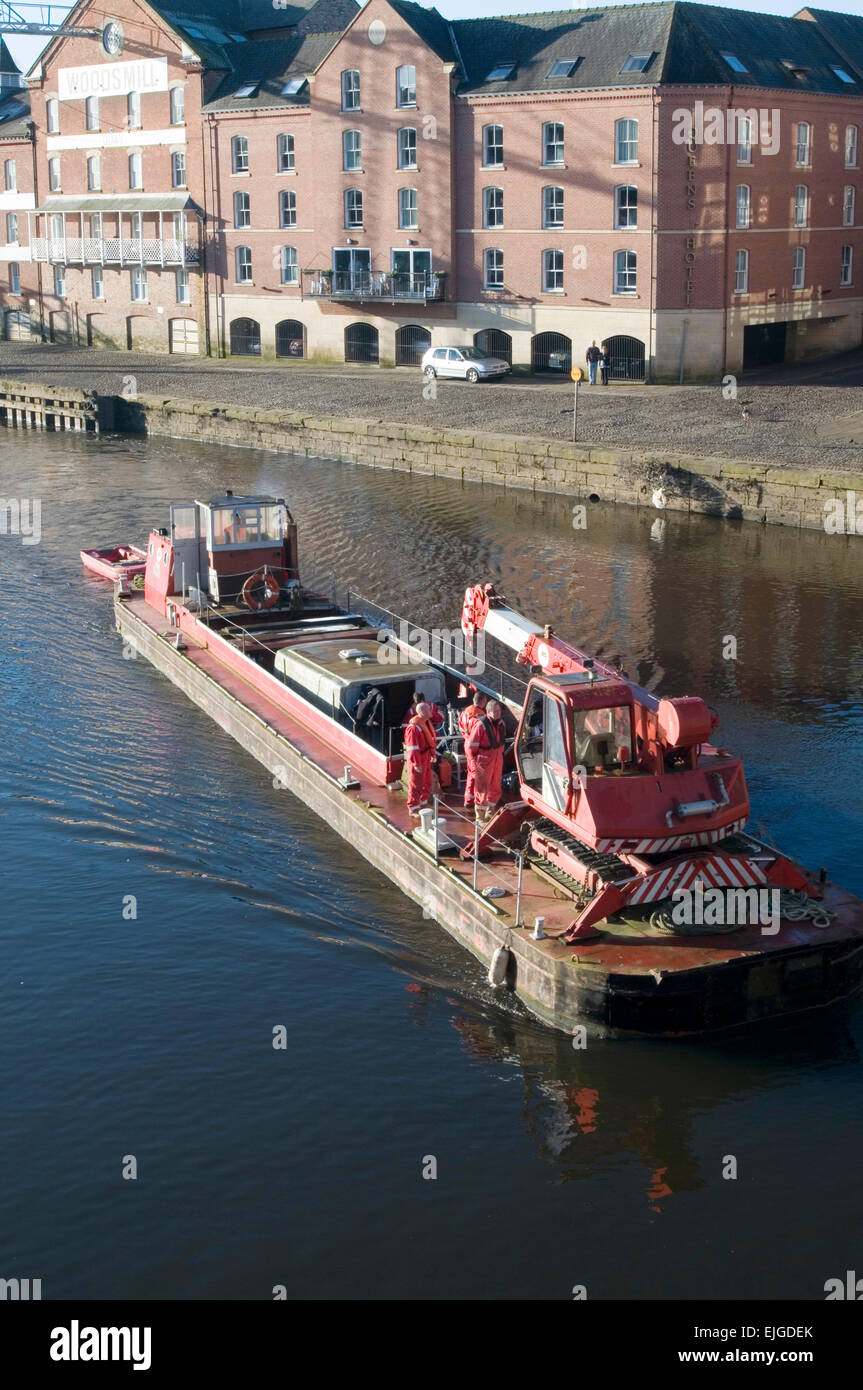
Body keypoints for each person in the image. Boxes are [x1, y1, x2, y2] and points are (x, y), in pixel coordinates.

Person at [466, 699, 506, 821]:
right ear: (488, 712)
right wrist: (473, 764)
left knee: (495, 786)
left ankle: (490, 811)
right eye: (495, 711)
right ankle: (480, 816)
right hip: (484, 760)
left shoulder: (501, 724)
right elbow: (471, 747)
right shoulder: (480, 725)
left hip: (497, 759)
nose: (498, 713)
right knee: (481, 788)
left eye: (499, 710)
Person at [403, 701, 438, 814]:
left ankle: (423, 803)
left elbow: (430, 741)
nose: (431, 711)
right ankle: (413, 808)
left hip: (426, 756)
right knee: (416, 783)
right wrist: (416, 764)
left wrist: (432, 753)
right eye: (428, 710)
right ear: (422, 712)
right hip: (418, 759)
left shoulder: (425, 723)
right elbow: (412, 748)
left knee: (426, 782)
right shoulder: (413, 728)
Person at [458, 689, 488, 809]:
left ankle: (468, 799)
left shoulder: (465, 712)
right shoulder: (479, 717)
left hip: (467, 743)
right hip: (476, 748)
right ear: (483, 701)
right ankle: (478, 801)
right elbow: (481, 734)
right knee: (478, 775)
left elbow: (461, 728)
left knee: (471, 773)